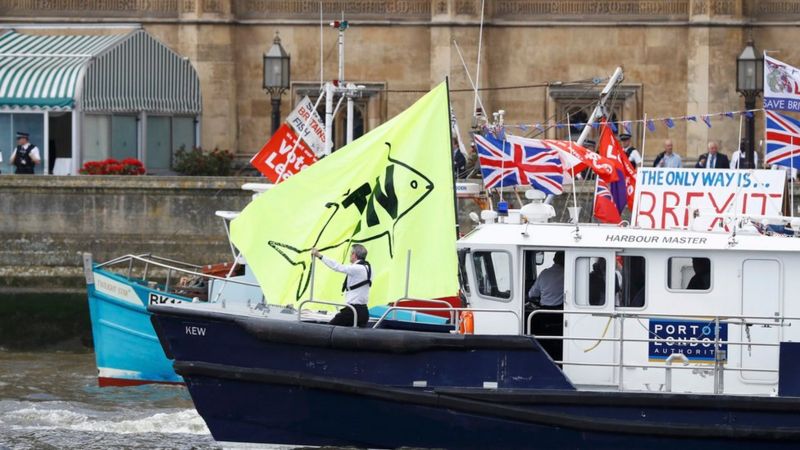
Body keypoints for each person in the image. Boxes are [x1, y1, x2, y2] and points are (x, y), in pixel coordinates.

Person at [311, 244, 372, 327]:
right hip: (364, 311)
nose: (350, 256)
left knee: (328, 329)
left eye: (351, 253)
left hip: (352, 311)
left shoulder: (357, 268)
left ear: (354, 255)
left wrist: (319, 255)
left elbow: (337, 266)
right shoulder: (369, 268)